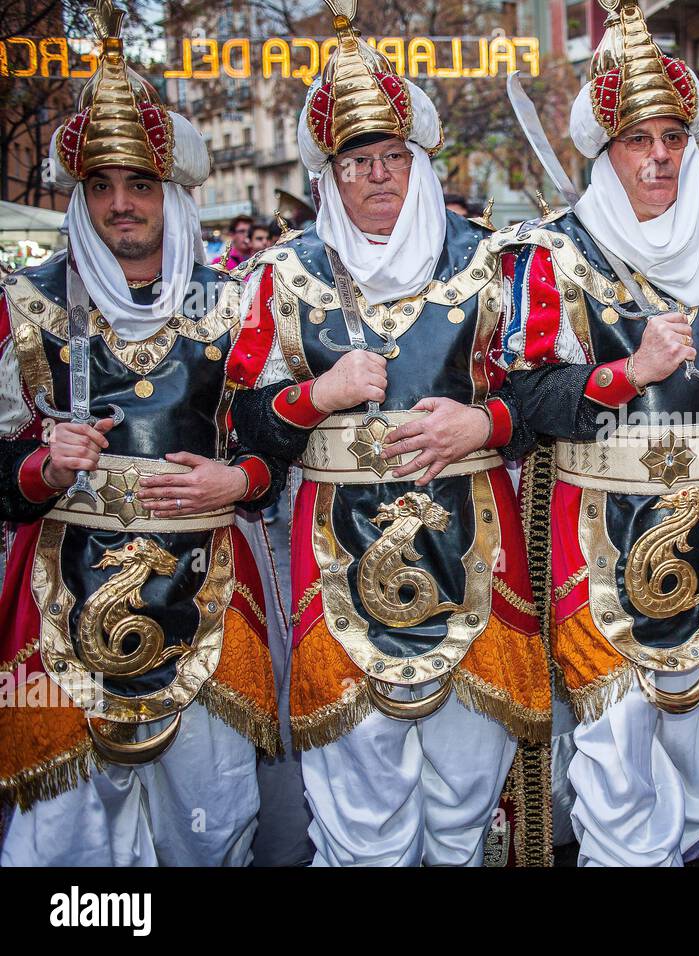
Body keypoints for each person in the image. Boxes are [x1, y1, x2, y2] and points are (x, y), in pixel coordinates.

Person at [225, 0, 550, 866]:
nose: (378, 176)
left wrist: (485, 420)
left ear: (419, 162)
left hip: (475, 545)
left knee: (464, 790)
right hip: (337, 558)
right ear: (328, 177)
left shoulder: (494, 261)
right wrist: (317, 395)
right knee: (359, 804)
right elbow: (243, 427)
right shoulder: (279, 277)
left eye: (392, 158)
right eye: (357, 161)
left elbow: (551, 395)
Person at [0, 4, 284, 865]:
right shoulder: (27, 302)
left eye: (139, 184)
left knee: (214, 811)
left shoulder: (231, 296)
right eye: (100, 186)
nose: (121, 205)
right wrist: (43, 468)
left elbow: (279, 436)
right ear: (80, 193)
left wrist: (240, 483)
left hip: (209, 585)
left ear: (171, 190)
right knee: (63, 835)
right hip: (62, 593)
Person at [493, 0, 699, 867]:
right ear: (605, 152)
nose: (658, 155)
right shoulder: (554, 255)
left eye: (673, 137)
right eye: (637, 139)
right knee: (615, 749)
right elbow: (528, 401)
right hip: (594, 534)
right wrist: (628, 373)